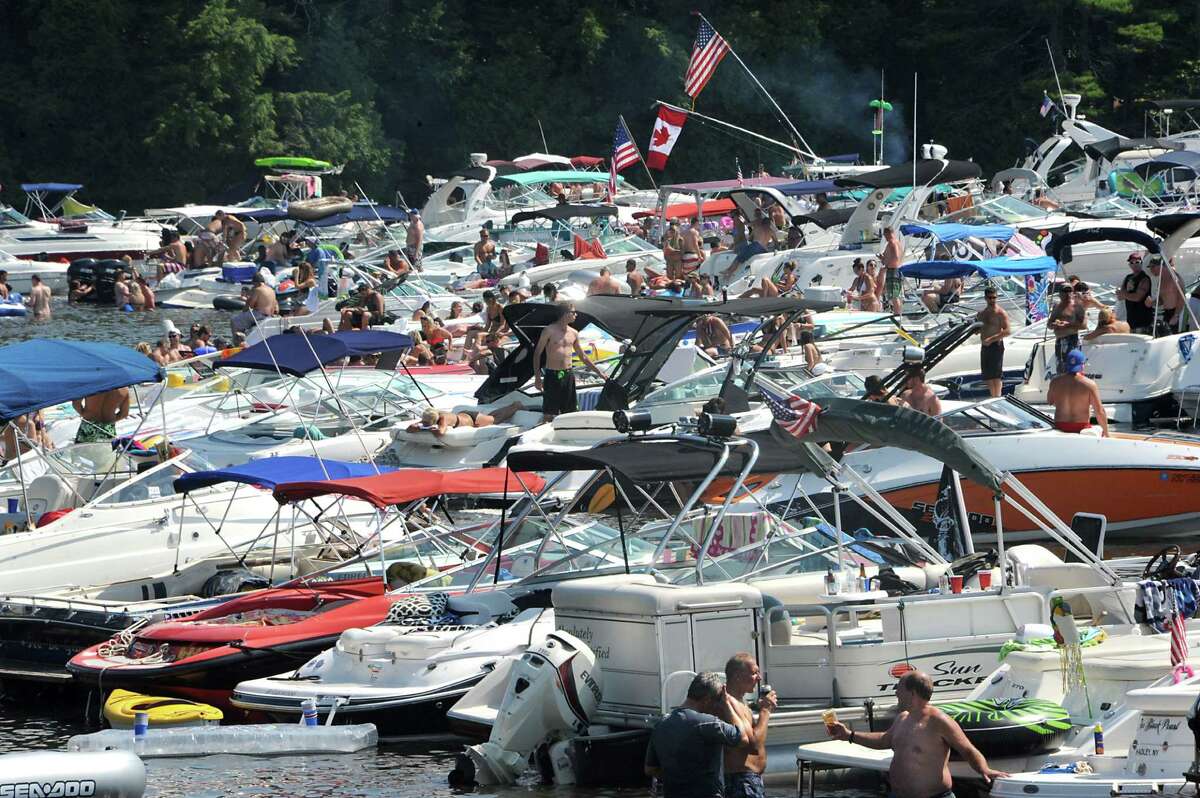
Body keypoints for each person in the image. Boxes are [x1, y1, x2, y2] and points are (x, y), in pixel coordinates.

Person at [826, 670, 1007, 798]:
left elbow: (967, 749)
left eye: (899, 688)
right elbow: (884, 740)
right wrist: (848, 735)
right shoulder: (902, 718)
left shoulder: (939, 721)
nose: (896, 692)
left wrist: (984, 769)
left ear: (912, 693)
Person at [644, 672, 749, 798]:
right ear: (707, 700)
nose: (717, 707)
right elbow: (743, 738)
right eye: (717, 701)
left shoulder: (661, 725)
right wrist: (726, 704)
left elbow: (650, 769)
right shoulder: (708, 723)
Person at [532, 302, 607, 419]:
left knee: (570, 412)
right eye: (573, 312)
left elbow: (583, 356)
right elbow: (537, 354)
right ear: (565, 314)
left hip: (568, 374)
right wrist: (537, 377)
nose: (576, 315)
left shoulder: (574, 333)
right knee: (549, 413)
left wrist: (600, 373)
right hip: (552, 374)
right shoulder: (549, 330)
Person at [717, 653, 777, 798]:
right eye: (754, 673)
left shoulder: (740, 703)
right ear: (737, 676)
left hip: (748, 781)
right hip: (742, 782)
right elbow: (753, 744)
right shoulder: (729, 703)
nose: (759, 677)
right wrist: (765, 711)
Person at [1047, 349, 1108, 435]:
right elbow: (1099, 412)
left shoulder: (1054, 382)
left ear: (1066, 365)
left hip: (1060, 426)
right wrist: (1107, 434)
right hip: (1081, 427)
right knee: (1098, 429)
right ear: (1082, 365)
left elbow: (1050, 402)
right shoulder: (1089, 384)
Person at [406, 402, 522, 435]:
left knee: (495, 419)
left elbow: (441, 432)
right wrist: (418, 426)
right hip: (464, 416)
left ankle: (515, 405)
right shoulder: (430, 415)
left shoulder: (442, 418)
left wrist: (423, 429)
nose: (424, 424)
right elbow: (409, 428)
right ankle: (512, 405)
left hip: (473, 419)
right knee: (492, 417)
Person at [977, 286, 1010, 397]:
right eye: (990, 298)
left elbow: (1007, 331)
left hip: (996, 345)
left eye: (994, 298)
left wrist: (991, 340)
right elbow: (978, 330)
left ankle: (998, 397)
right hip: (984, 346)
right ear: (985, 298)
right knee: (988, 375)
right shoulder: (982, 314)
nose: (992, 300)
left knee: (996, 375)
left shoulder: (1000, 313)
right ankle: (993, 396)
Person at [1048, 284, 1085, 373]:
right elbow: (1049, 324)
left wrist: (1067, 325)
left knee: (1072, 368)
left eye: (1070, 291)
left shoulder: (1077, 306)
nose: (1068, 294)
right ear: (1060, 294)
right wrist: (1054, 325)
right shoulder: (1056, 307)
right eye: (1065, 291)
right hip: (1059, 341)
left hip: (1072, 340)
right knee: (1061, 369)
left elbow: (1083, 325)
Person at [231, 272, 278, 338]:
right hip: (270, 316)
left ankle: (238, 342)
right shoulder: (271, 290)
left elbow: (249, 306)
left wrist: (249, 298)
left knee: (234, 320)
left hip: (259, 315)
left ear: (256, 282)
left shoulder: (257, 290)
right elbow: (276, 308)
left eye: (253, 284)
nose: (253, 285)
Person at [1148, 257, 1185, 335]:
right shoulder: (1161, 279)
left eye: (1153, 267)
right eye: (1150, 267)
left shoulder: (1175, 278)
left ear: (1161, 266)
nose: (1151, 270)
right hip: (1167, 313)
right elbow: (1162, 299)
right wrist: (1153, 303)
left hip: (1176, 313)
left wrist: (1176, 315)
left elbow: (1181, 297)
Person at [1117, 253, 1153, 334]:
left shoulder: (1144, 278)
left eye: (1137, 262)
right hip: (1130, 320)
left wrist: (1125, 294)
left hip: (1143, 320)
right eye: (1132, 263)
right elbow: (1120, 297)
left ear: (1141, 263)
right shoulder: (1127, 277)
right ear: (1129, 265)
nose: (1134, 265)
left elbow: (1137, 298)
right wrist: (1125, 294)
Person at [880, 227, 904, 316]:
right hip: (897, 270)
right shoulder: (898, 243)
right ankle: (898, 313)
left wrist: (886, 263)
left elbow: (896, 257)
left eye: (885, 235)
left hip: (893, 270)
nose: (885, 238)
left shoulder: (892, 243)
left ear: (887, 233)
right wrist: (883, 258)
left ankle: (897, 315)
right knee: (895, 294)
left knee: (894, 295)